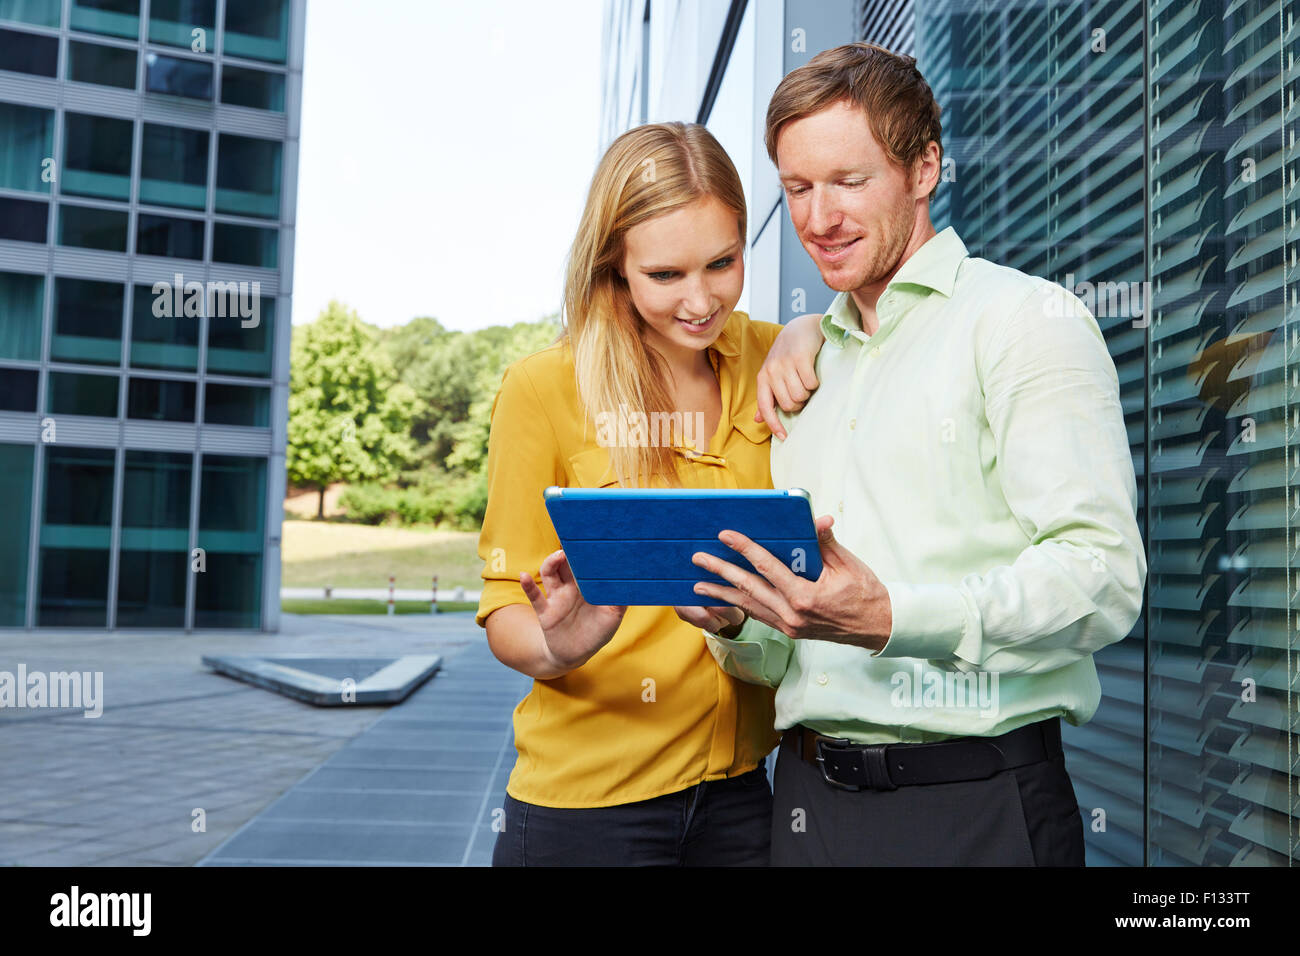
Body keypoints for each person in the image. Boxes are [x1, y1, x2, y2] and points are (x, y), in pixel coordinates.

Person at [678, 42, 1148, 866]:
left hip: (979, 809)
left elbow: (1102, 578)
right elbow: (789, 645)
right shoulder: (801, 367)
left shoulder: (1027, 324)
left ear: (925, 168)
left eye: (849, 182)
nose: (818, 218)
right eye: (797, 188)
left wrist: (895, 617)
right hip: (808, 805)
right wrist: (734, 623)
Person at [475, 121, 826, 866]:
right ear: (615, 268)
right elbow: (506, 603)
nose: (701, 300)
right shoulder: (542, 389)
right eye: (665, 276)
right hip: (587, 811)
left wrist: (807, 328)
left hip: (742, 799)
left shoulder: (771, 354)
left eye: (722, 263)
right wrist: (555, 647)